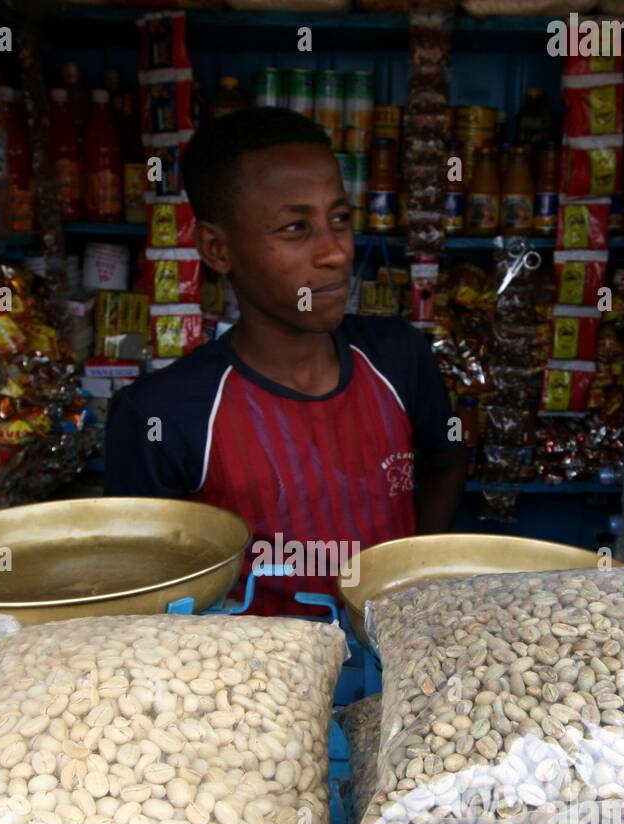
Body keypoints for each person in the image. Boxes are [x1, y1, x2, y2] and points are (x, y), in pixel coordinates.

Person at [105, 107, 467, 615]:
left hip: (397, 667)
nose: (336, 253)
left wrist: (413, 582)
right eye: (296, 228)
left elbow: (446, 461)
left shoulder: (397, 358)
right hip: (250, 686)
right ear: (217, 248)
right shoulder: (162, 413)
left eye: (339, 219)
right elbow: (141, 592)